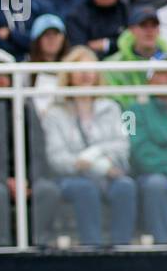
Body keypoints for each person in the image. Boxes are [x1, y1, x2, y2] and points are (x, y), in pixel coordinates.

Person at [43, 45, 138, 247]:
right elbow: (56, 157)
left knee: (125, 186)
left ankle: (122, 250)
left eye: (90, 69)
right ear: (68, 75)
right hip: (71, 178)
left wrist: (95, 155)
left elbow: (122, 146)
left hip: (107, 175)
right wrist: (89, 164)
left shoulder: (111, 108)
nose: (86, 74)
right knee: (85, 189)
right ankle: (92, 249)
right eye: (79, 69)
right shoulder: (55, 113)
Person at [0, 70, 61, 246]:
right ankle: (3, 243)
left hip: (26, 178)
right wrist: (7, 181)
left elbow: (38, 151)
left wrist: (27, 179)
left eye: (5, 77)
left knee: (47, 190)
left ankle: (34, 240)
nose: (1, 82)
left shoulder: (25, 112)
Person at [123, 54, 167, 244]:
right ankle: (164, 247)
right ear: (151, 78)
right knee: (157, 185)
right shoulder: (132, 110)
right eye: (164, 72)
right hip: (147, 176)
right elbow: (137, 153)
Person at [103, 7, 167, 102]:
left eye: (154, 25)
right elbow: (116, 101)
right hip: (127, 115)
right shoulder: (112, 65)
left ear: (159, 30)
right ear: (131, 30)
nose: (149, 31)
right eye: (143, 25)